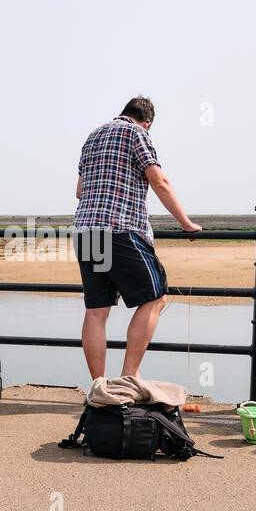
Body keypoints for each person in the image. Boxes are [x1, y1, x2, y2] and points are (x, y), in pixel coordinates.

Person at [72, 96, 201, 380]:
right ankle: (130, 377)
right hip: (119, 229)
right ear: (148, 122)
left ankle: (99, 386)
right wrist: (187, 224)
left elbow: (80, 190)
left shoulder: (93, 136)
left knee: (96, 311)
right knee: (155, 297)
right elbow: (159, 181)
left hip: (85, 230)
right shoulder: (136, 133)